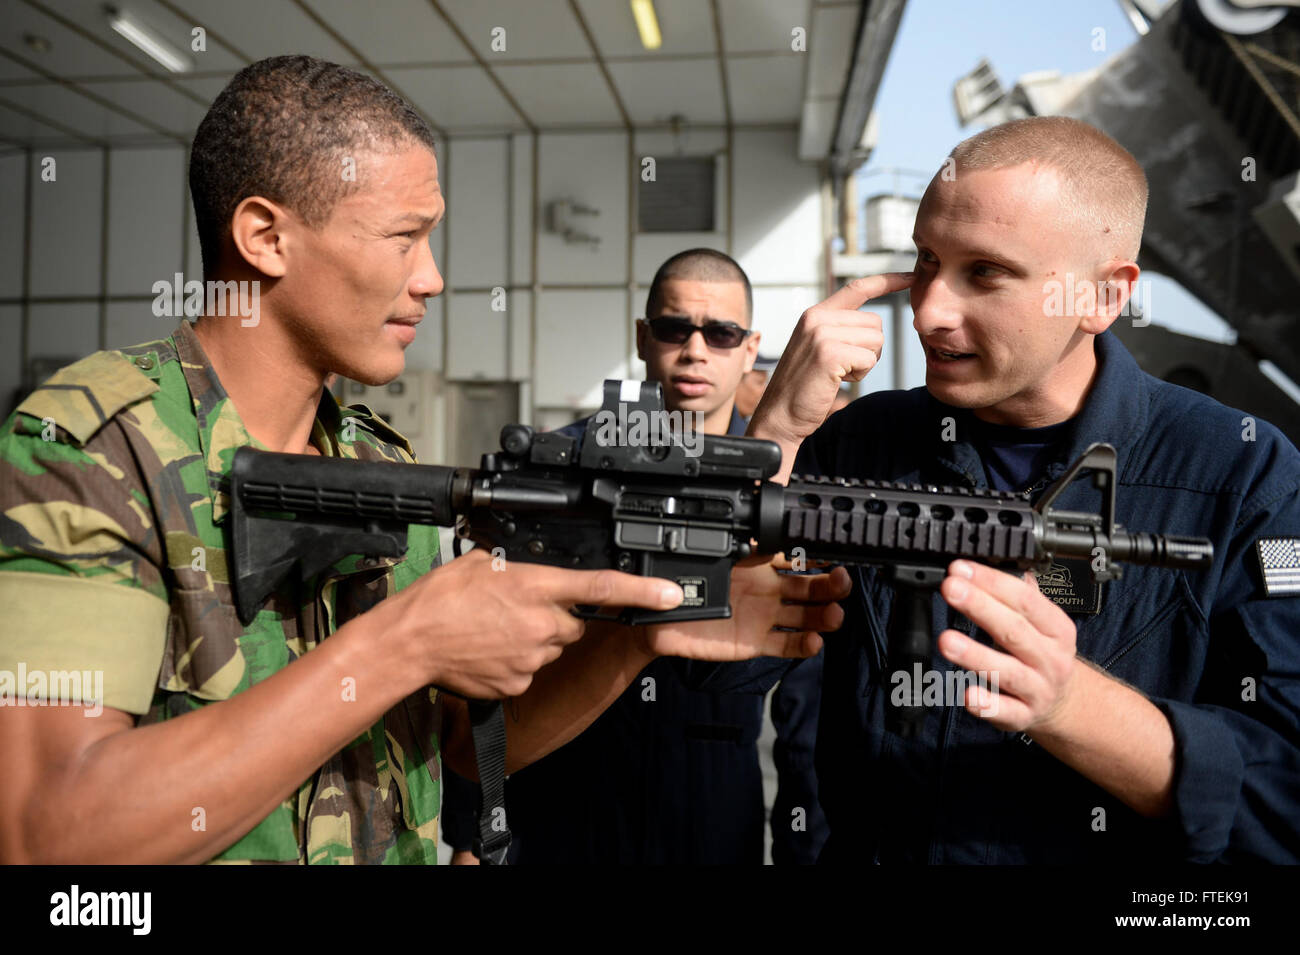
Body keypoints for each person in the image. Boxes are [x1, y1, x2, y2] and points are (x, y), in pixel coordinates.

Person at [0, 56, 850, 865]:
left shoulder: (376, 458)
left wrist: (638, 638)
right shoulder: (88, 447)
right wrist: (406, 642)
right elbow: (47, 830)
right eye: (404, 238)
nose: (434, 278)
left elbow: (459, 750)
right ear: (264, 236)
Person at [732, 115, 1300, 862]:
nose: (930, 310)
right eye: (926, 260)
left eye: (986, 273)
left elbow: (1284, 796)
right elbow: (708, 672)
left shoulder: (1244, 473)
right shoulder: (858, 444)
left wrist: (1072, 705)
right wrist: (775, 436)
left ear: (1103, 297)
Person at [445, 248, 794, 863]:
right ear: (643, 337)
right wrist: (475, 830)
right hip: (557, 810)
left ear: (749, 347)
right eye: (673, 328)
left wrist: (807, 851)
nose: (694, 350)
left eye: (720, 333)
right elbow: (482, 660)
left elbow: (807, 700)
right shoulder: (564, 469)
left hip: (706, 825)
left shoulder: (777, 491)